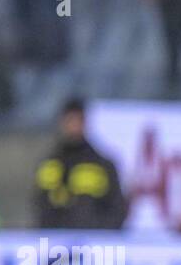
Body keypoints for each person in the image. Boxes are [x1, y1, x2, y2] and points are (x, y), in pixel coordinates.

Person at [34, 97, 128, 230]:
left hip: (95, 243)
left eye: (77, 120)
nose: (73, 126)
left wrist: (101, 234)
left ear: (85, 123)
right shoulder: (49, 165)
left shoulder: (102, 165)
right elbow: (39, 206)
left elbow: (117, 208)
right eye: (70, 121)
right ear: (62, 123)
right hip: (56, 244)